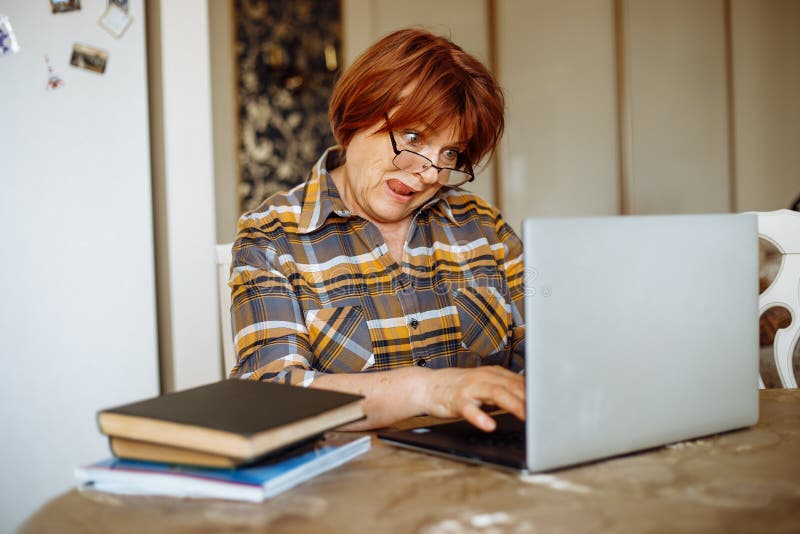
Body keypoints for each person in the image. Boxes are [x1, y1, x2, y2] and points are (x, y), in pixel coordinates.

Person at [229, 28, 525, 432]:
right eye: (413, 136)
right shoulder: (271, 237)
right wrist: (425, 390)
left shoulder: (484, 227)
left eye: (450, 153)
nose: (427, 172)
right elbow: (270, 396)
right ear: (357, 114)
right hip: (350, 486)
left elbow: (551, 360)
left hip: (486, 477)